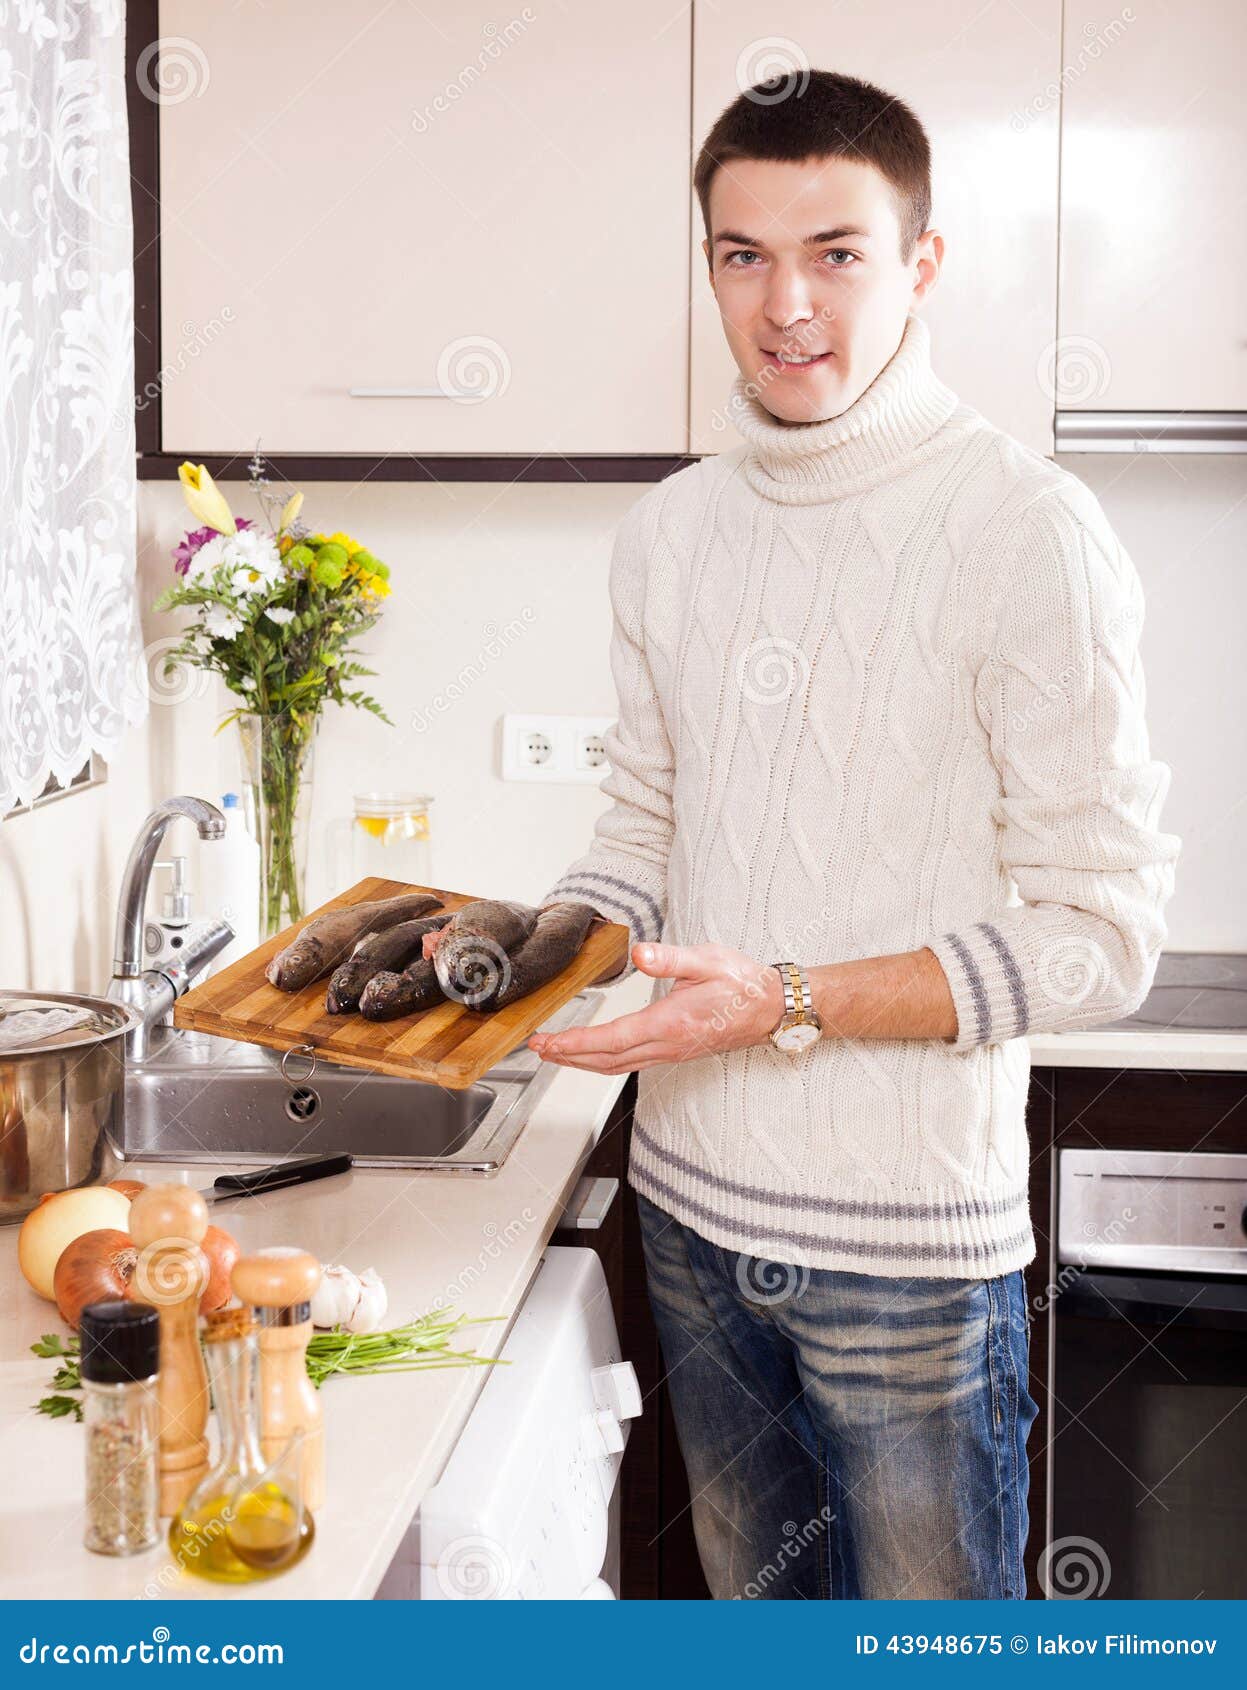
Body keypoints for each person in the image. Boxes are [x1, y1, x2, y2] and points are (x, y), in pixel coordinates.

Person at [466, 69, 1179, 1600]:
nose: (784, 304)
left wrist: (783, 997)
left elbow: (1105, 936)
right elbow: (644, 824)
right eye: (742, 255)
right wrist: (512, 967)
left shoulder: (1025, 530)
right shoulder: (671, 532)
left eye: (836, 252)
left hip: (910, 1255)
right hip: (691, 1211)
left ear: (921, 262)